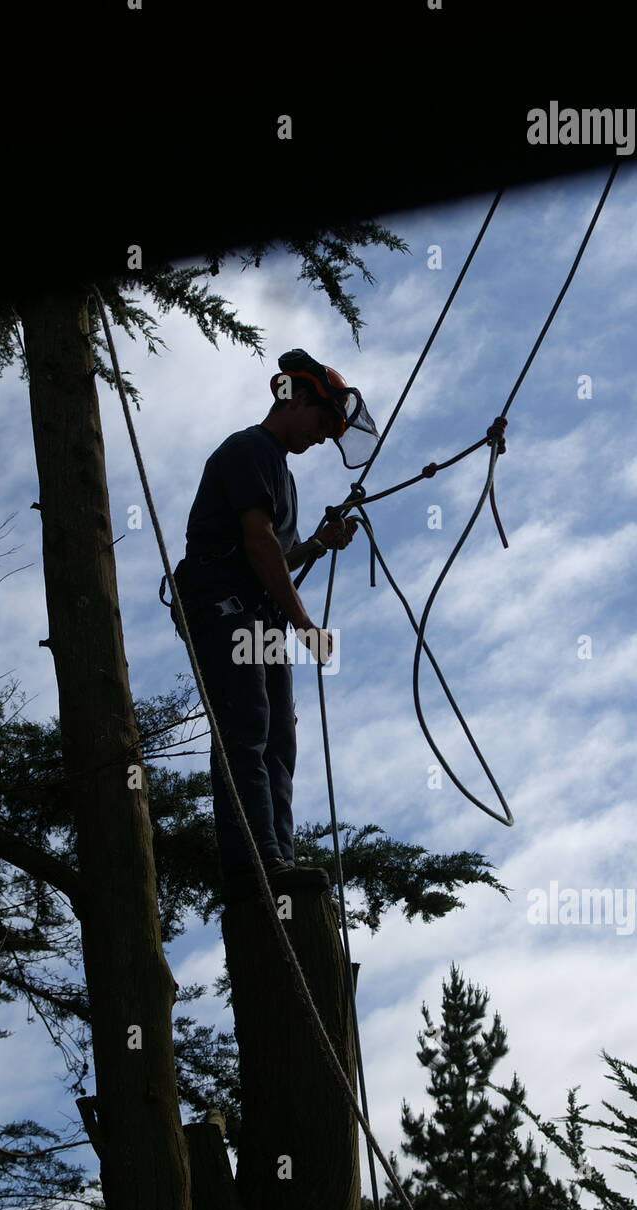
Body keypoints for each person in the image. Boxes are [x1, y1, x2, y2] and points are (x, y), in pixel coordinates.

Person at [170, 349, 362, 902]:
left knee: (280, 739)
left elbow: (274, 551)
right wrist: (304, 623)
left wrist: (315, 545)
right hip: (226, 611)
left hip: (260, 616)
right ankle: (255, 864)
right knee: (247, 729)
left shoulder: (283, 474)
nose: (325, 437)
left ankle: (279, 858)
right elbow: (256, 544)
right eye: (324, 423)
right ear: (297, 399)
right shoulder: (250, 449)